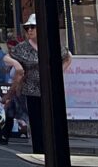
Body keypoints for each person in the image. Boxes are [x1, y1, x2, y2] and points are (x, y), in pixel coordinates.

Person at [11, 14, 69, 151]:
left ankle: (52, 151)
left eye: (33, 27)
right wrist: (16, 67)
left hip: (49, 90)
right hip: (32, 91)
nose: (29, 30)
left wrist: (56, 75)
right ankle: (39, 154)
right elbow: (9, 58)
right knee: (36, 124)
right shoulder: (23, 47)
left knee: (52, 122)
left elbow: (67, 57)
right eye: (27, 28)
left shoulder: (50, 43)